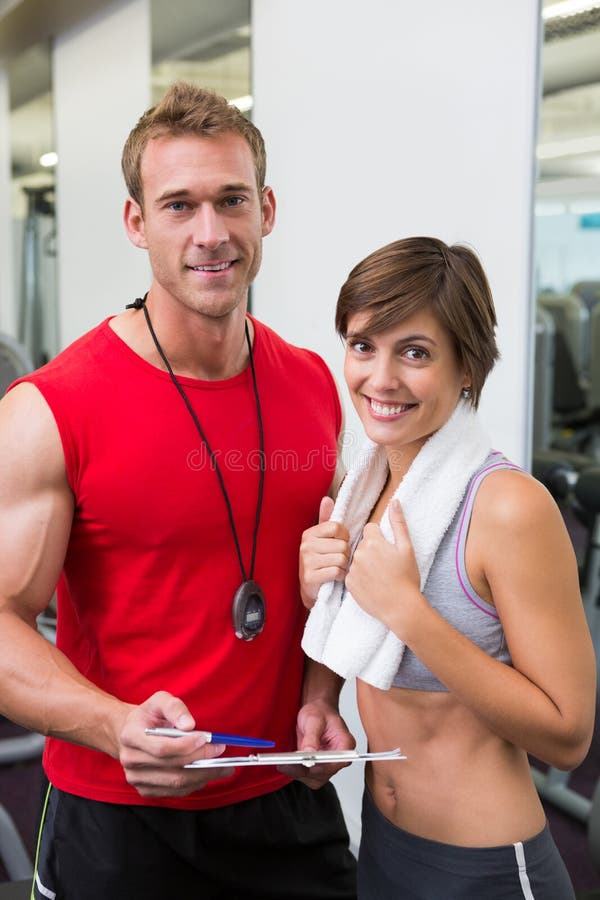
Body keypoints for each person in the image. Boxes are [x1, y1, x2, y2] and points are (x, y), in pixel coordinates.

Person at [0, 82, 357, 900]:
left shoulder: (311, 385)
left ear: (266, 210)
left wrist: (321, 693)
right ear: (137, 223)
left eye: (231, 200)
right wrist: (112, 725)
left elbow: (329, 583)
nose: (211, 233)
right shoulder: (52, 409)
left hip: (284, 800)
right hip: (120, 818)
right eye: (178, 205)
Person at [299, 236, 596, 900]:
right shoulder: (366, 486)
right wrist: (319, 680)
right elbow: (352, 631)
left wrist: (409, 613)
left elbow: (569, 737)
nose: (380, 379)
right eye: (362, 345)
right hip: (381, 841)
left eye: (414, 352)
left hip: (485, 866)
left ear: (467, 365)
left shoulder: (508, 507)